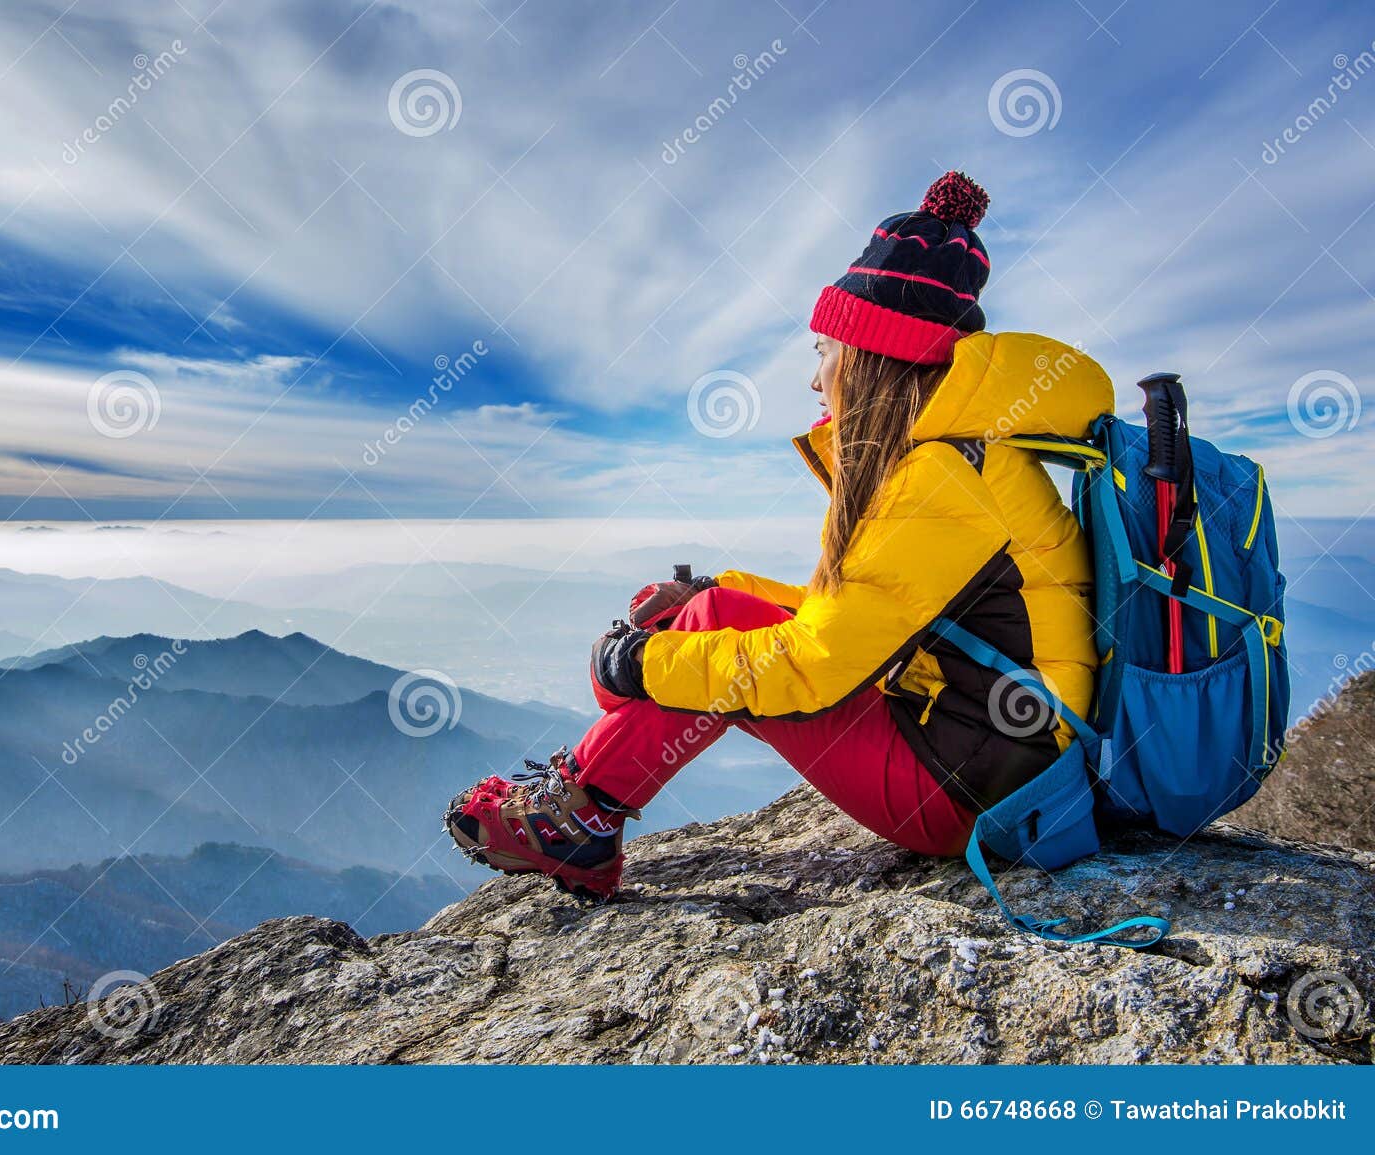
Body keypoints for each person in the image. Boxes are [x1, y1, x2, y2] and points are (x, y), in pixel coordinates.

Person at [446, 172, 1110, 900]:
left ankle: (577, 819)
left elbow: (814, 664)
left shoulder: (938, 478)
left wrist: (644, 666)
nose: (816, 379)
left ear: (869, 352)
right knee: (713, 620)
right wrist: (715, 593)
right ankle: (584, 811)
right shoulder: (954, 453)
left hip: (975, 794)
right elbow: (862, 615)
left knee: (712, 647)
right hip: (985, 752)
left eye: (824, 351)